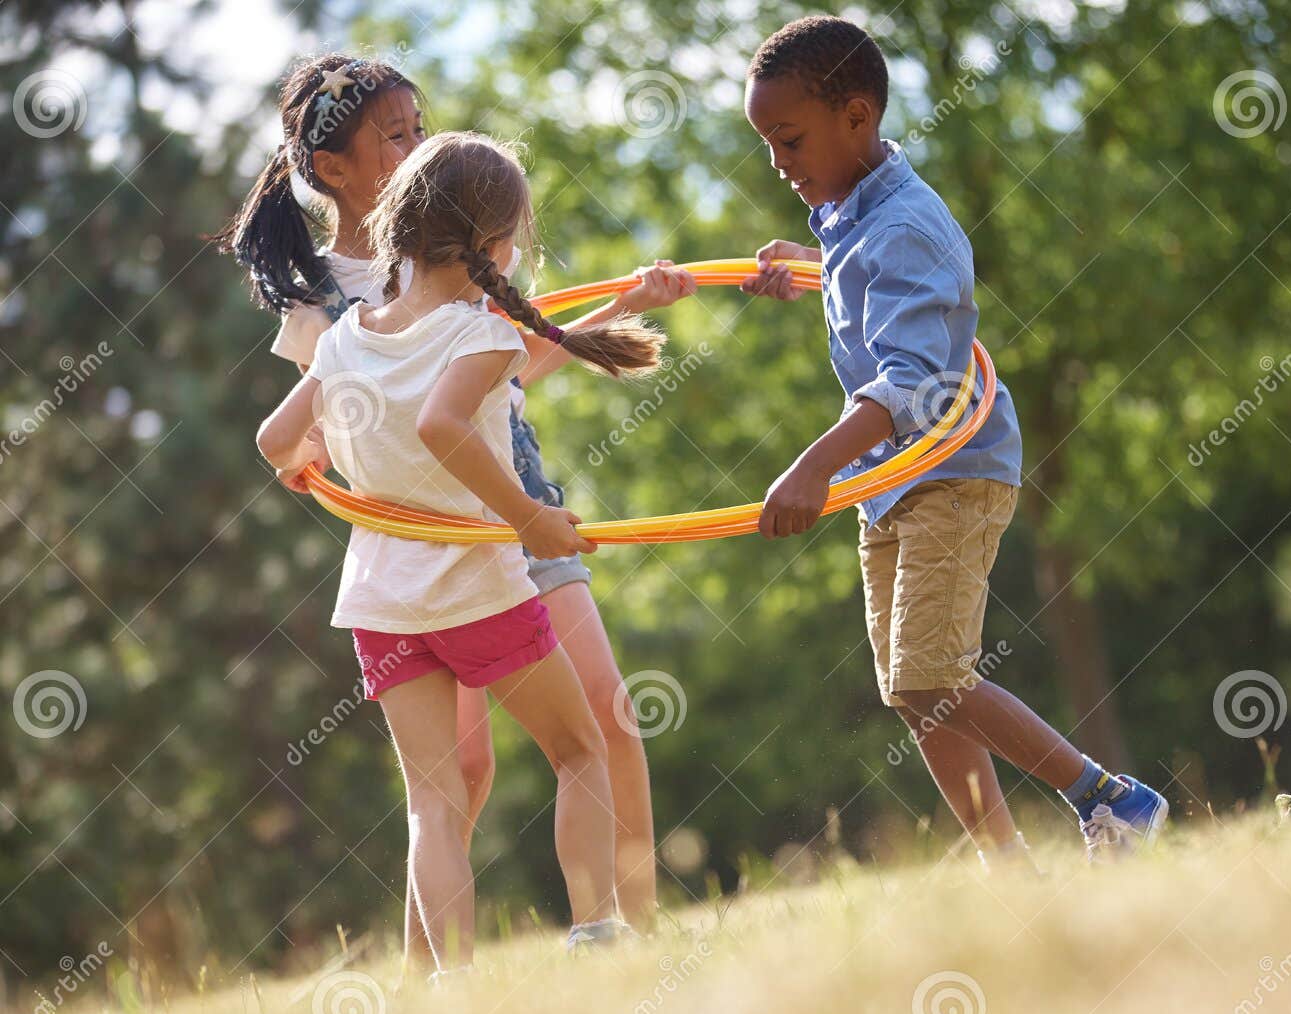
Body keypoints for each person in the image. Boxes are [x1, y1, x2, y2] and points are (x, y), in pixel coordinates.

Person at [222, 55, 689, 954]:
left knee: (603, 713)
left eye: (417, 125)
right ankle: (439, 979)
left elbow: (500, 382)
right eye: (395, 134)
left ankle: (635, 937)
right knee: (463, 773)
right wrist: (313, 461)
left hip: (510, 507)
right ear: (332, 168)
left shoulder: (447, 252)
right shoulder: (328, 305)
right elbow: (332, 431)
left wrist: (628, 301)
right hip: (435, 531)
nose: (417, 143)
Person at [739, 17, 1168, 860]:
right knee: (911, 689)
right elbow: (868, 272)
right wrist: (810, 258)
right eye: (767, 143)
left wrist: (811, 467)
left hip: (951, 470)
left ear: (855, 118)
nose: (778, 164)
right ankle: (1007, 869)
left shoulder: (905, 226)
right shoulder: (856, 210)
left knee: (935, 676)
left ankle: (1110, 797)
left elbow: (907, 385)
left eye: (788, 140)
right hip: (890, 480)